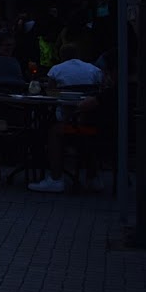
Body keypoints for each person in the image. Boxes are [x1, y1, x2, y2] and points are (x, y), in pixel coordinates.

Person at [28, 45, 106, 193]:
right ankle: (93, 177)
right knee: (85, 136)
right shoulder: (94, 70)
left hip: (68, 120)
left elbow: (50, 94)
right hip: (90, 121)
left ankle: (55, 177)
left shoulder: (56, 69)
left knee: (52, 130)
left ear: (60, 56)